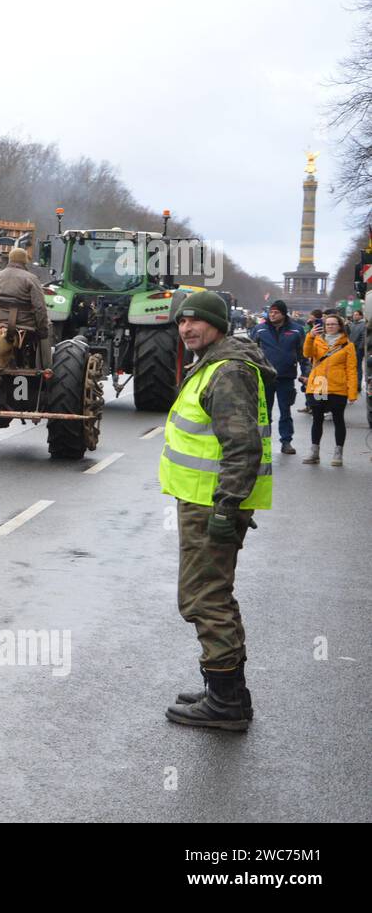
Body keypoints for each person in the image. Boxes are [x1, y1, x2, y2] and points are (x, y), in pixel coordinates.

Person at [161, 291, 273, 732]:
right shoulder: (217, 362)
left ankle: (225, 703)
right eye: (180, 323)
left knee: (203, 597)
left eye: (195, 322)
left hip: (213, 503)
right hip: (205, 500)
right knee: (214, 592)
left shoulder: (226, 371)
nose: (186, 329)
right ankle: (226, 690)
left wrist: (226, 507)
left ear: (218, 324)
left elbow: (242, 445)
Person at [247, 299, 305, 454]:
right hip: (265, 377)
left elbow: (303, 355)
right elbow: (250, 353)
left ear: (283, 313)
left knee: (285, 411)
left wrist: (306, 374)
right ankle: (263, 442)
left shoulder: (297, 330)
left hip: (286, 377)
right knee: (264, 413)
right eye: (270, 312)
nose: (272, 315)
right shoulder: (259, 329)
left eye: (276, 312)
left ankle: (286, 442)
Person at [301, 313, 357, 467]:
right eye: (327, 324)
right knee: (317, 418)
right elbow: (307, 353)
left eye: (333, 324)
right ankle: (314, 451)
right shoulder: (317, 340)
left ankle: (338, 453)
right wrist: (310, 336)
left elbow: (351, 370)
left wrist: (352, 392)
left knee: (338, 419)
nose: (330, 326)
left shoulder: (348, 345)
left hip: (338, 388)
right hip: (319, 385)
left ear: (340, 326)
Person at [0, 247, 52, 372]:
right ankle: (46, 370)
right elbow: (40, 308)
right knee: (47, 329)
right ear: (25, 261)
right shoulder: (31, 279)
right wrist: (43, 329)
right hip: (25, 328)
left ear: (9, 260)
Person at [347, 309, 366, 392]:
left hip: (358, 349)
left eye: (357, 315)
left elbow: (364, 337)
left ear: (361, 316)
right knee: (351, 367)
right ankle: (352, 384)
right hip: (350, 349)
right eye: (354, 315)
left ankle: (358, 385)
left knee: (358, 367)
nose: (355, 316)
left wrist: (360, 348)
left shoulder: (363, 325)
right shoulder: (352, 324)